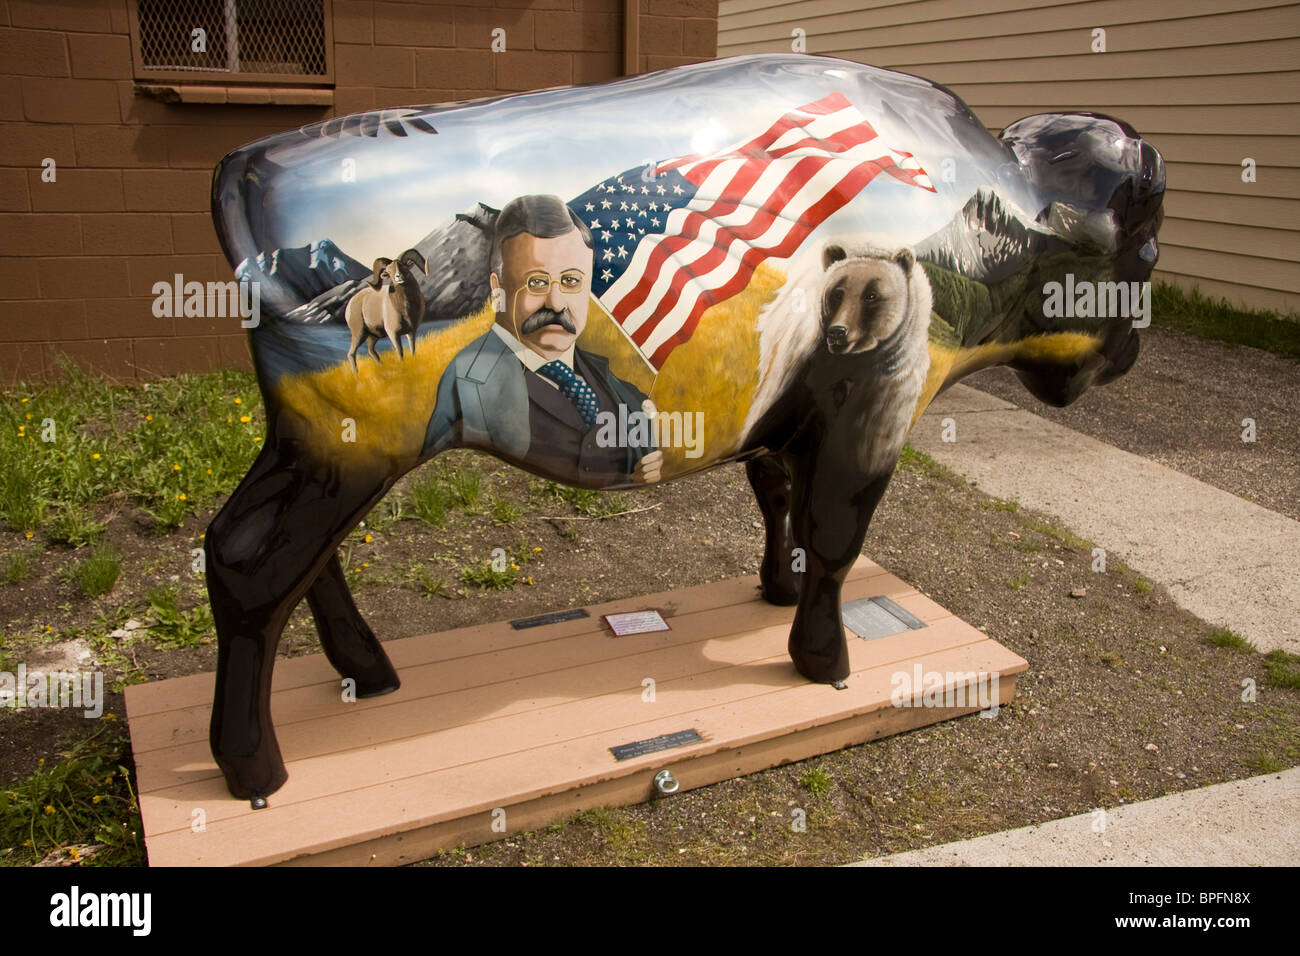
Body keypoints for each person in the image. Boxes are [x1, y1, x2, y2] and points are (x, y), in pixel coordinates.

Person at [423, 194, 662, 486]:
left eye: (572, 281)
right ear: (498, 291)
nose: (557, 302)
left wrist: (645, 467)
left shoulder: (610, 382)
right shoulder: (468, 380)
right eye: (536, 282)